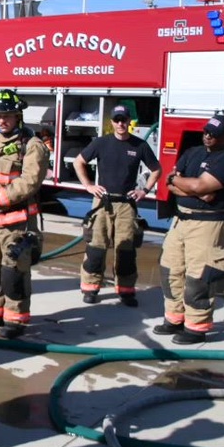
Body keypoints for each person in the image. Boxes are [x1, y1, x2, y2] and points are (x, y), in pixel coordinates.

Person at [0, 90, 49, 339]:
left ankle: (16, 319)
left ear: (18, 116)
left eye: (8, 116)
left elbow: (30, 181)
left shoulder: (31, 145)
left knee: (14, 271)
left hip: (18, 223)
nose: (3, 120)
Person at [154, 113, 224, 345]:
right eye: (206, 131)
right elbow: (171, 181)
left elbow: (204, 187)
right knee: (170, 270)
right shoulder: (192, 152)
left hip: (207, 225)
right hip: (180, 221)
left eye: (214, 134)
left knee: (199, 278)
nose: (208, 136)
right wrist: (191, 188)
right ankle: (174, 318)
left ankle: (196, 327)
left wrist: (193, 186)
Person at [74, 104, 162, 306]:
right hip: (102, 202)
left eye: (124, 120)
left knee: (126, 250)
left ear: (129, 121)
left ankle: (125, 290)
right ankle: (90, 288)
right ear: (111, 122)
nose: (121, 123)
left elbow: (156, 169)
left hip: (126, 205)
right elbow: (79, 162)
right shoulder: (101, 143)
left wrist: (145, 190)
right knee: (96, 248)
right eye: (117, 120)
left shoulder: (139, 146)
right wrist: (88, 185)